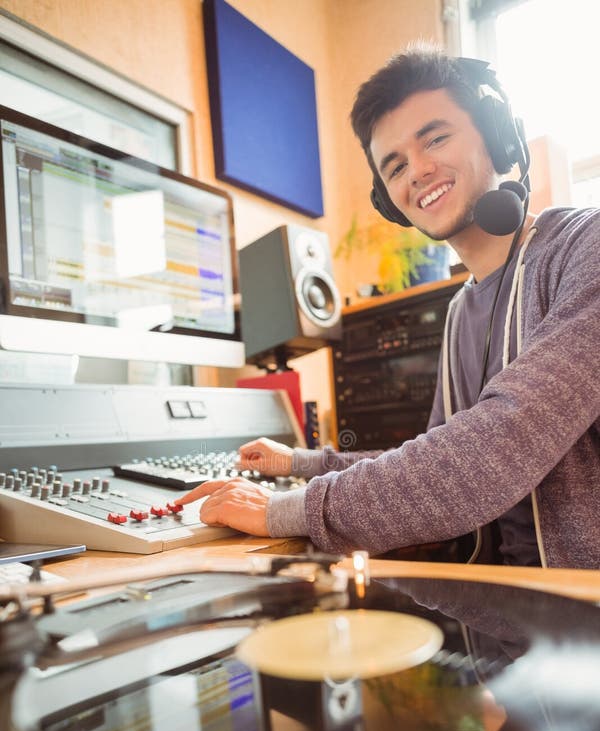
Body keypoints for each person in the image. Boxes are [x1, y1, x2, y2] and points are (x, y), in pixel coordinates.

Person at [177, 45, 600, 569]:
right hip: (503, 617)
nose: (418, 171)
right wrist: (302, 462)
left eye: (436, 138)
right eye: (395, 165)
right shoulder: (461, 310)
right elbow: (435, 461)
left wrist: (285, 508)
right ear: (387, 198)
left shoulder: (587, 248)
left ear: (497, 136)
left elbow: (493, 451)